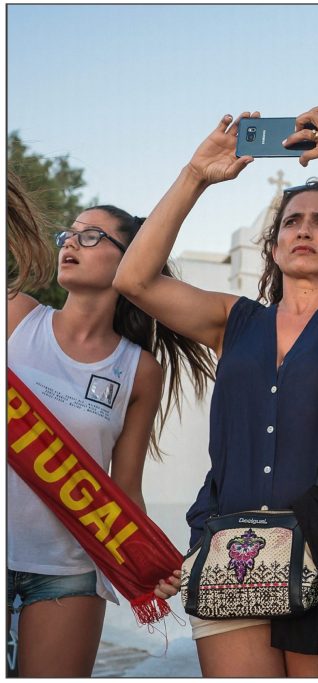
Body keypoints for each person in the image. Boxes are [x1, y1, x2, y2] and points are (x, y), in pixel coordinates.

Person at [113, 106, 318, 676]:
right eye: (292, 222)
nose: (304, 229)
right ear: (273, 247)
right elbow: (134, 280)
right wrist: (195, 176)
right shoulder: (236, 321)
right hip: (230, 554)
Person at [6, 195, 209, 676]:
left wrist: (149, 563)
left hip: (70, 571)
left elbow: (125, 488)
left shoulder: (140, 370)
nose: (71, 243)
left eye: (91, 236)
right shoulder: (14, 314)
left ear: (128, 259)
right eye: (69, 234)